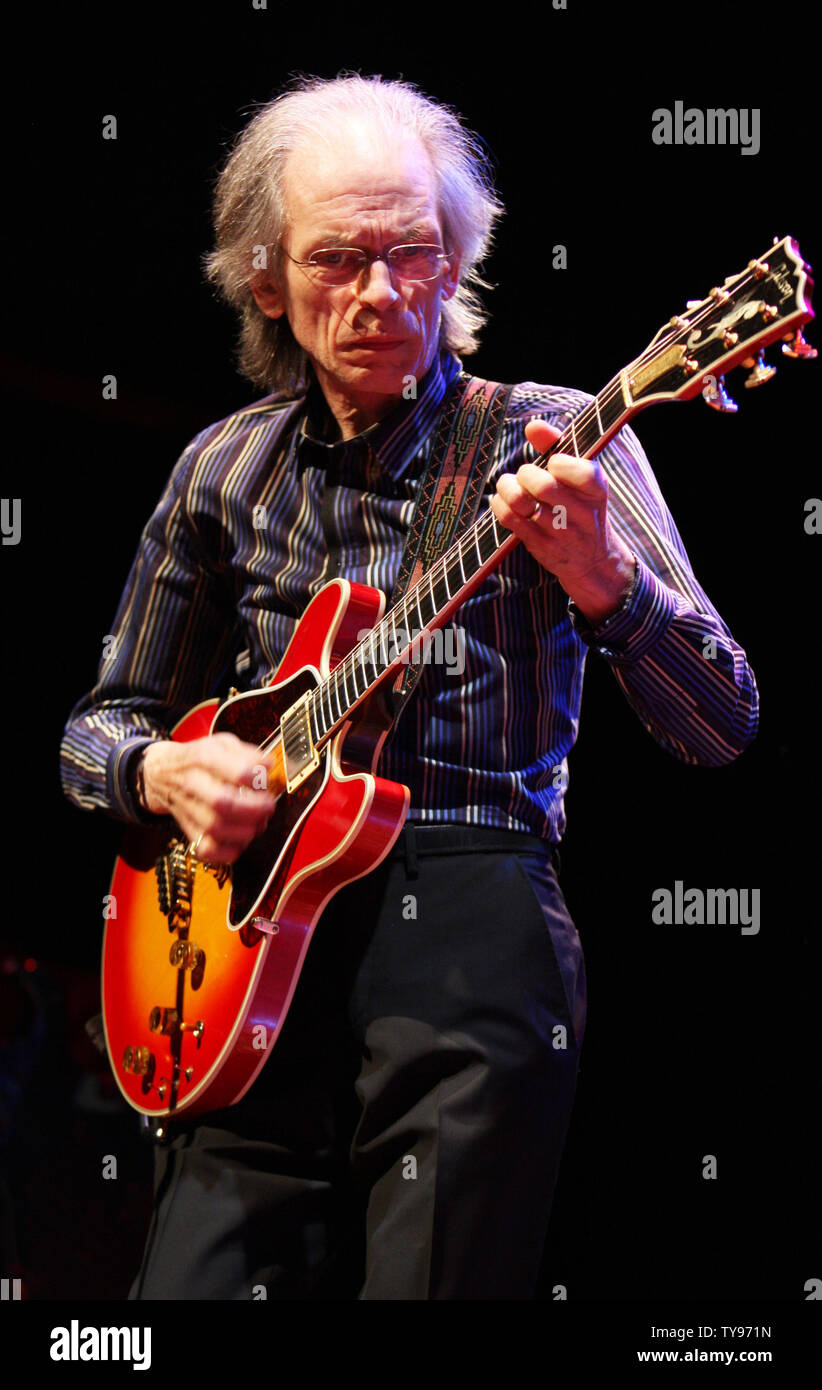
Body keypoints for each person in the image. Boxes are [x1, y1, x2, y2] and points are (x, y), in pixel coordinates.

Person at [60, 73, 759, 1300]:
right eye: (340, 258)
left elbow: (722, 721)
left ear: (457, 264)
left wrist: (603, 578)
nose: (382, 293)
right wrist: (161, 768)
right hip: (245, 943)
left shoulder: (554, 436)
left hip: (474, 925)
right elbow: (95, 728)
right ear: (266, 279)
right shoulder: (224, 468)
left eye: (414, 253)